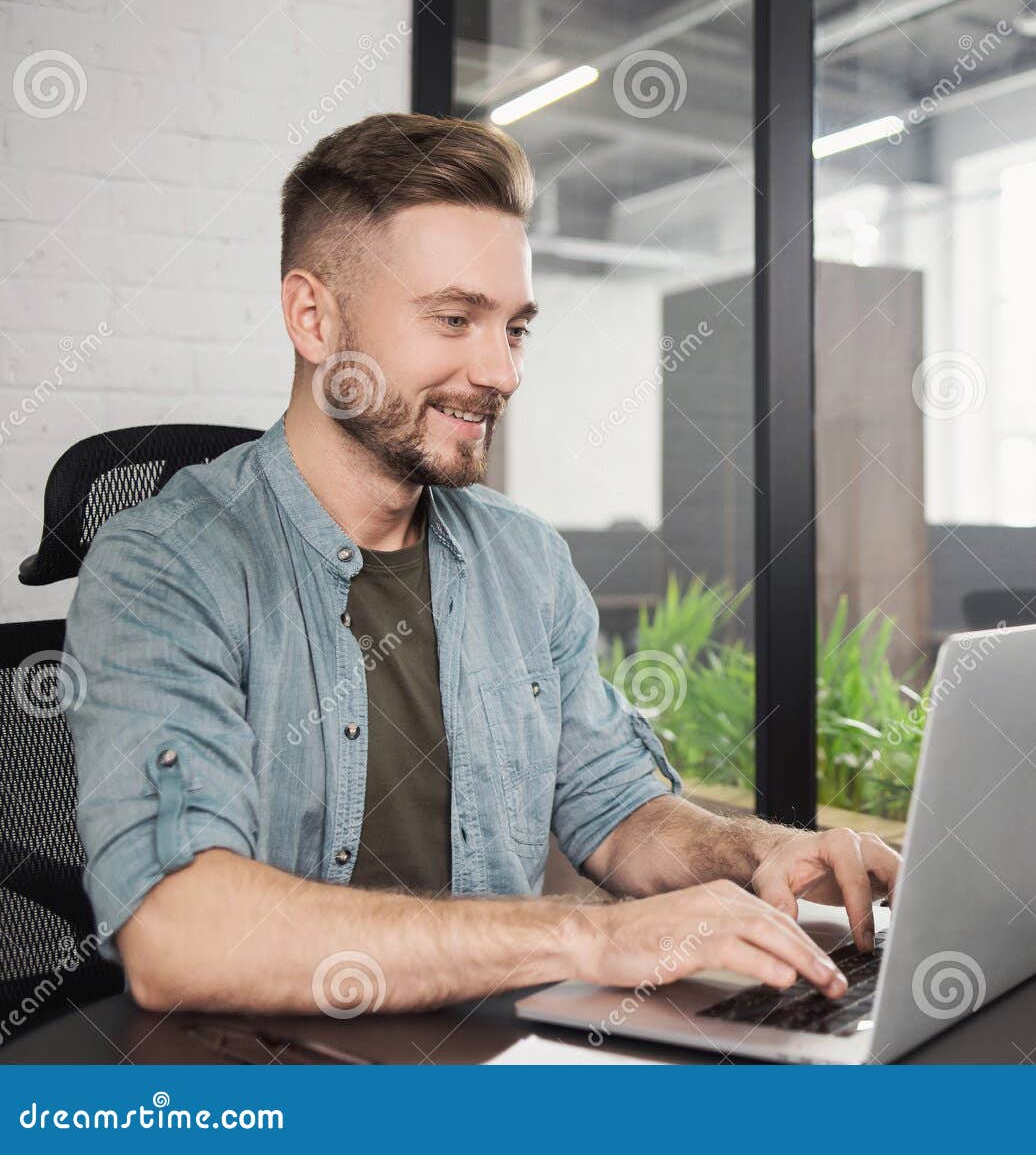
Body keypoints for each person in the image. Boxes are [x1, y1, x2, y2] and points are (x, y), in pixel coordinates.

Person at [64, 113, 899, 1015]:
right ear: (314, 318)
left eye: (515, 328)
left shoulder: (521, 557)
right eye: (455, 319)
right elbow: (177, 931)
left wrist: (763, 852)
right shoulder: (166, 567)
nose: (501, 371)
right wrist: (585, 935)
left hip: (495, 1054)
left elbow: (619, 811)